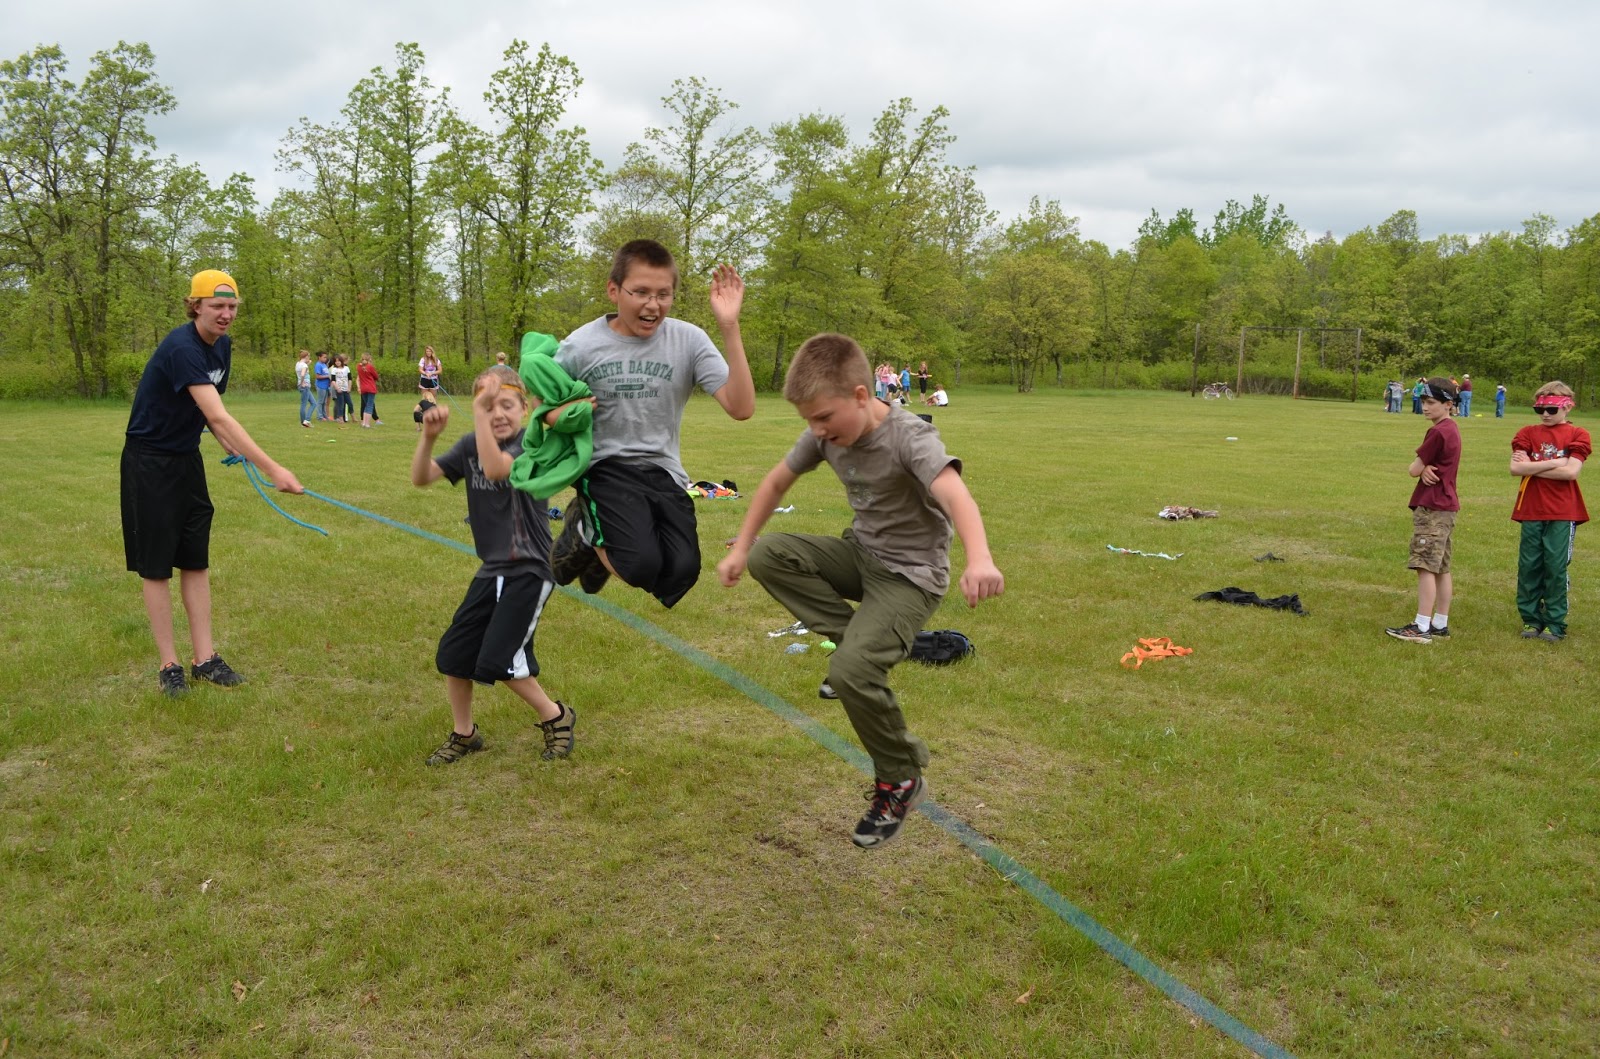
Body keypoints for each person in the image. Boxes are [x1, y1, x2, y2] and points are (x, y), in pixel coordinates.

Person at [717, 333, 1002, 848]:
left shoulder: (909, 438)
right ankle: (860, 650)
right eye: (809, 421)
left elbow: (957, 496)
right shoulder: (826, 435)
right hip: (861, 555)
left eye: (824, 417)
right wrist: (742, 546)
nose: (817, 431)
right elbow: (775, 483)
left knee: (851, 674)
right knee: (769, 553)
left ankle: (900, 775)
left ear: (860, 394)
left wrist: (979, 557)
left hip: (910, 578)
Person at [122, 269, 303, 696]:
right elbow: (220, 415)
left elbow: (208, 414)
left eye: (232, 307)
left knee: (195, 559)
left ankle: (205, 659)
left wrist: (230, 446)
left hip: (186, 460)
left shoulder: (222, 347)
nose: (225, 315)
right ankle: (169, 666)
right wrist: (272, 468)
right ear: (196, 306)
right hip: (149, 464)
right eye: (217, 306)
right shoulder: (183, 347)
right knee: (156, 567)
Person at [549, 239, 754, 607]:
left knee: (681, 572)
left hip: (664, 470)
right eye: (640, 292)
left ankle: (591, 542)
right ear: (614, 290)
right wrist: (562, 414)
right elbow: (541, 403)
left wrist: (729, 325)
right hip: (605, 468)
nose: (652, 305)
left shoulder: (688, 340)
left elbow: (741, 407)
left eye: (663, 294)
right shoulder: (581, 346)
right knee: (641, 565)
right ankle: (587, 526)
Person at [411, 364, 576, 765]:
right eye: (488, 405)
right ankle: (464, 734)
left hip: (531, 567)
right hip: (493, 569)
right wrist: (428, 438)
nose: (497, 413)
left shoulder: (533, 446)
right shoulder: (471, 444)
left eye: (506, 404)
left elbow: (495, 467)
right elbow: (421, 477)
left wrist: (481, 417)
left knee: (500, 661)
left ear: (525, 408)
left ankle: (557, 716)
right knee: (454, 654)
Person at [1509, 381, 1590, 642]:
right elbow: (1516, 469)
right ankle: (1531, 620)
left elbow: (1571, 472)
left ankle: (1555, 623)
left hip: (1563, 511)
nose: (1545, 414)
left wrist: (1534, 462)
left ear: (1567, 407)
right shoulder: (1527, 433)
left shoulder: (1579, 434)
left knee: (1555, 567)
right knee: (1529, 566)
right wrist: (1557, 460)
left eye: (1551, 410)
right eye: (1539, 409)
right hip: (1531, 508)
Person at [1386, 378, 1461, 644]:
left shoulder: (1438, 431)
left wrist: (1423, 467)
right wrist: (1428, 466)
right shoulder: (1452, 429)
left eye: (1431, 403)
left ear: (1448, 405)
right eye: (1423, 402)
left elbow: (1413, 469)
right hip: (1447, 506)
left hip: (1433, 507)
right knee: (1441, 566)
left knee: (1425, 565)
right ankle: (1440, 623)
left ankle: (1421, 625)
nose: (1425, 407)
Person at [358, 353, 381, 427]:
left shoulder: (358, 366)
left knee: (366, 405)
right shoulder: (370, 367)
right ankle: (367, 423)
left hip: (363, 387)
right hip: (370, 387)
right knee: (370, 405)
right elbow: (376, 376)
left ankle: (364, 423)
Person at [330, 354, 353, 423]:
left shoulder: (346, 368)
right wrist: (337, 388)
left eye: (339, 361)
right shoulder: (334, 369)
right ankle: (339, 417)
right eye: (336, 361)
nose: (337, 362)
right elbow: (333, 380)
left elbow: (350, 378)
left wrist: (349, 387)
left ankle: (351, 417)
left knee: (349, 403)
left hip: (346, 389)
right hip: (337, 389)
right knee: (339, 403)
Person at [295, 349, 315, 427]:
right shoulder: (304, 365)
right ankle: (305, 421)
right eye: (308, 356)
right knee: (304, 404)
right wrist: (302, 382)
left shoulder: (298, 364)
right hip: (305, 386)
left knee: (314, 403)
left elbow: (302, 370)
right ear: (306, 356)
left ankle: (305, 421)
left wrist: (308, 363)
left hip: (301, 386)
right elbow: (303, 374)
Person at [314, 351, 332, 420]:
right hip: (321, 386)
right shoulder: (318, 365)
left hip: (326, 386)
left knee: (324, 402)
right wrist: (327, 376)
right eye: (324, 357)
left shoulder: (324, 365)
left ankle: (324, 416)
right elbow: (318, 376)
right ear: (319, 357)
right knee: (320, 401)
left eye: (326, 357)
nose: (325, 359)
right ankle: (319, 416)